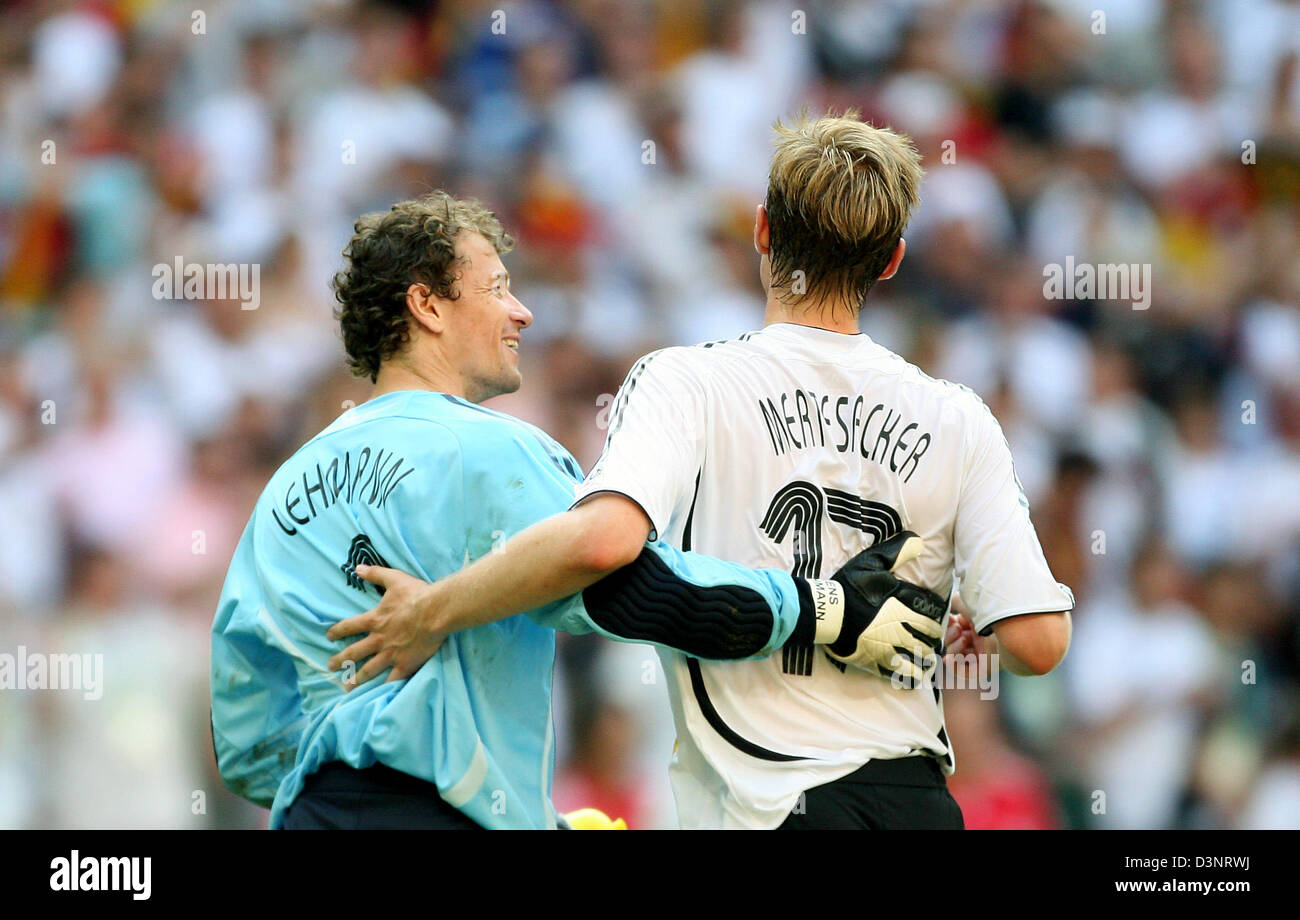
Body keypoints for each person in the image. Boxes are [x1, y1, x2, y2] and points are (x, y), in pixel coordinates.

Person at [333, 113, 1076, 830]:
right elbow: (1038, 642)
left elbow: (600, 545)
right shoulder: (958, 415)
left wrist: (432, 611)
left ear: (761, 230)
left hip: (770, 802)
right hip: (916, 801)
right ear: (891, 261)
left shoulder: (685, 381)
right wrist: (988, 624)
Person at [209, 190, 949, 830]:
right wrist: (824, 608)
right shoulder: (488, 452)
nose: (522, 311)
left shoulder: (281, 493)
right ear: (427, 304)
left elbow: (245, 743)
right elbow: (629, 581)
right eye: (497, 288)